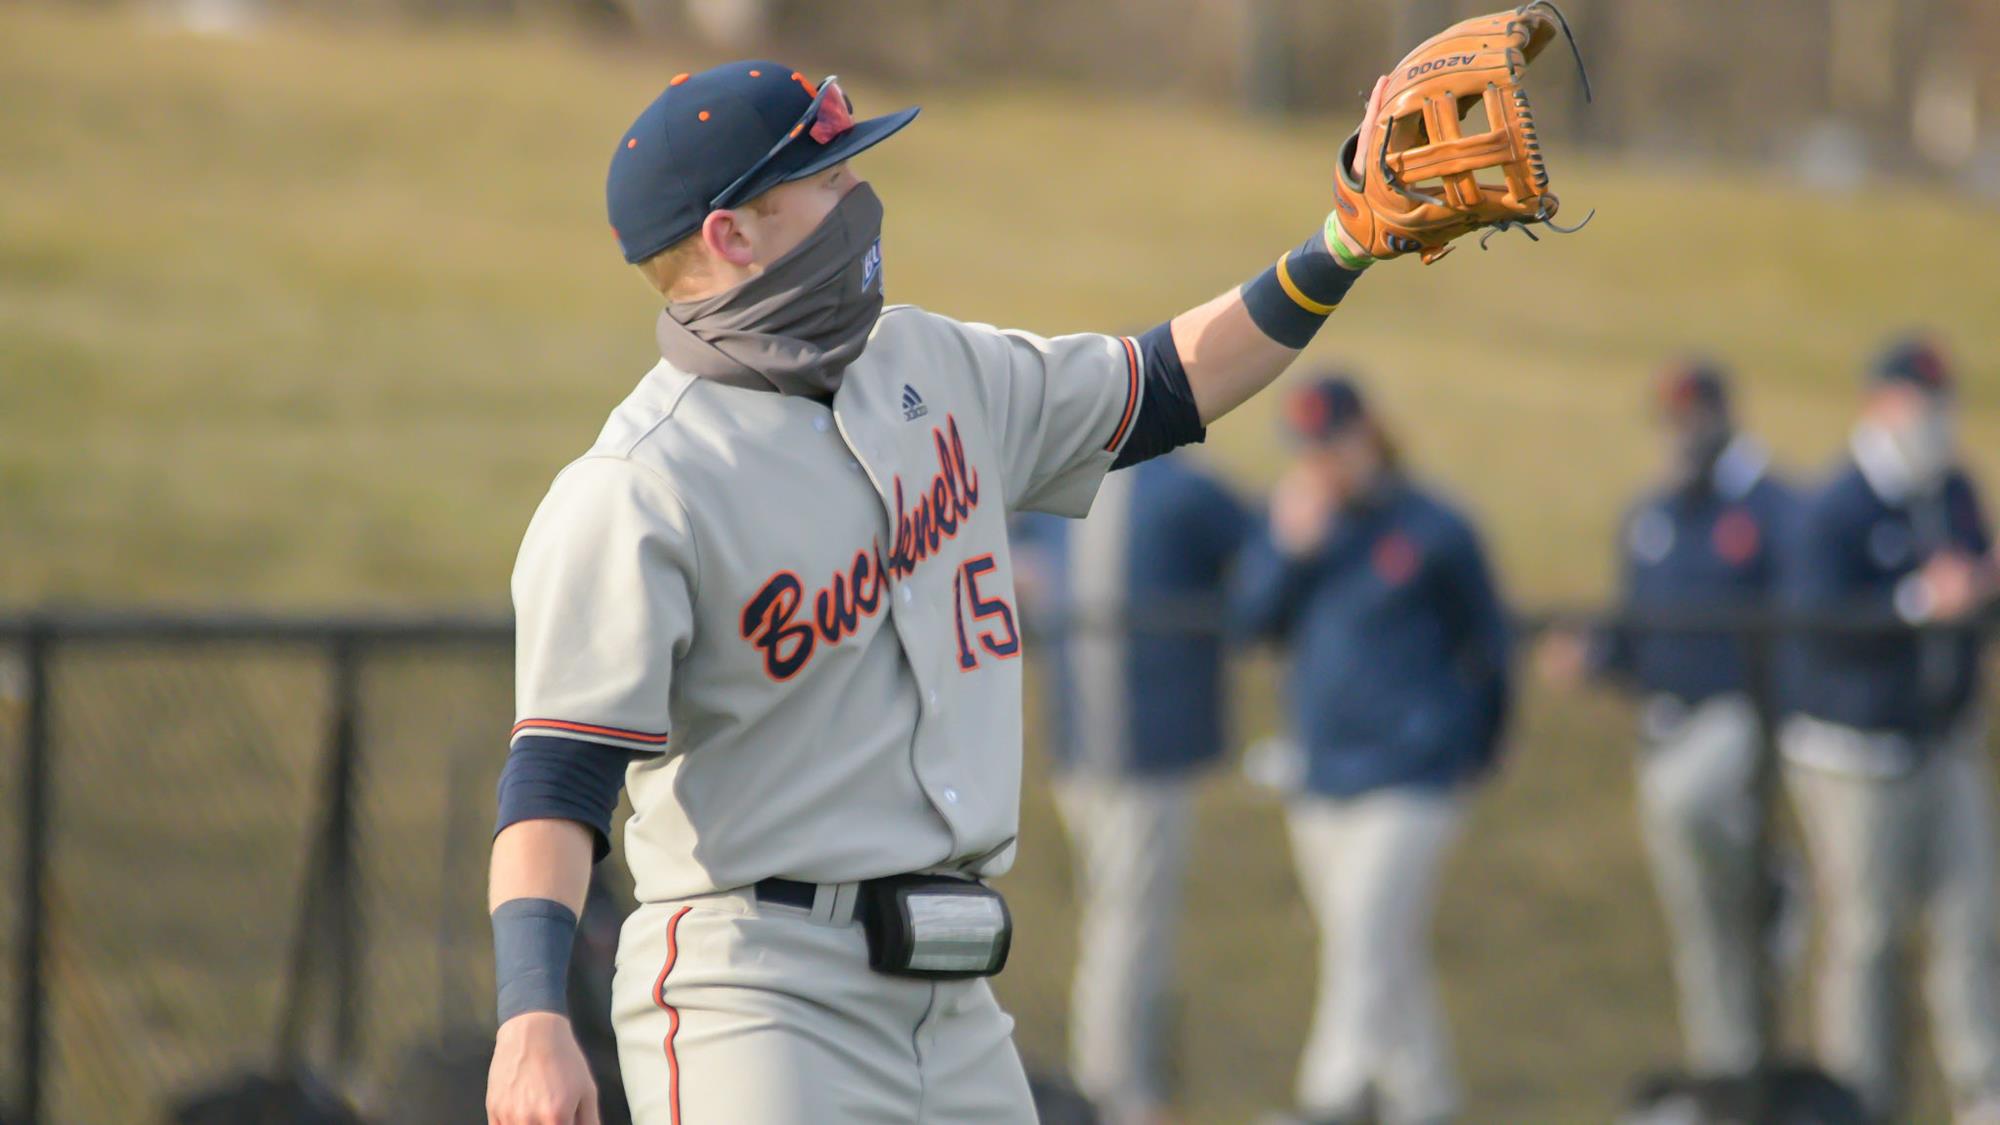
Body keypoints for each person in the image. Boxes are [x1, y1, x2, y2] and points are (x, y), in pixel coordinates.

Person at [482, 61, 1463, 1125]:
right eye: (827, 177)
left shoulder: (926, 363)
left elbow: (1163, 384)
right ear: (732, 234)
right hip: (752, 995)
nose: (859, 194)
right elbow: (556, 781)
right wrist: (532, 1017)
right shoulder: (638, 488)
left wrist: (1344, 242)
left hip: (952, 1000)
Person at [1233, 376, 1511, 1125]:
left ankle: (1327, 1097)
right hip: (1323, 772)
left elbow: (1488, 645)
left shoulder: (1434, 527)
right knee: (1382, 950)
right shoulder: (1295, 525)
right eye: (1308, 449)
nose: (1320, 463)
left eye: (1332, 445)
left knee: (1361, 937)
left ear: (1366, 436)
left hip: (1412, 774)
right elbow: (1249, 625)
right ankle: (1425, 1100)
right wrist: (1290, 552)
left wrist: (1478, 743)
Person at [1537, 360, 1796, 1079]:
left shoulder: (1771, 506)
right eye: (1671, 421)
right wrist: (1592, 654)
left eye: (1692, 418)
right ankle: (1727, 1068)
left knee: (1688, 807)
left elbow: (1802, 620)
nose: (1680, 435)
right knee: (1701, 924)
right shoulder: (1651, 515)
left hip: (1741, 715)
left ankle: (1771, 883)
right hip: (1663, 724)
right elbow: (1636, 630)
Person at [1778, 336, 2000, 1124]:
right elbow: (1817, 625)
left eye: (1942, 404)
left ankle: (1982, 1087)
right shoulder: (1836, 505)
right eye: (1918, 404)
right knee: (1867, 934)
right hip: (1856, 759)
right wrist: (1916, 603)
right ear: (1880, 404)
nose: (1934, 420)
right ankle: (1860, 1097)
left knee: (1972, 918)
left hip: (1945, 743)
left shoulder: (1954, 493)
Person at [1013, 451, 1249, 1125]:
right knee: (1127, 925)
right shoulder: (1179, 490)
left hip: (1089, 747)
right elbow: (1263, 566)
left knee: (1118, 919)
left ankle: (1119, 1082)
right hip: (1135, 750)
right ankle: (1114, 1090)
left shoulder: (1059, 480)